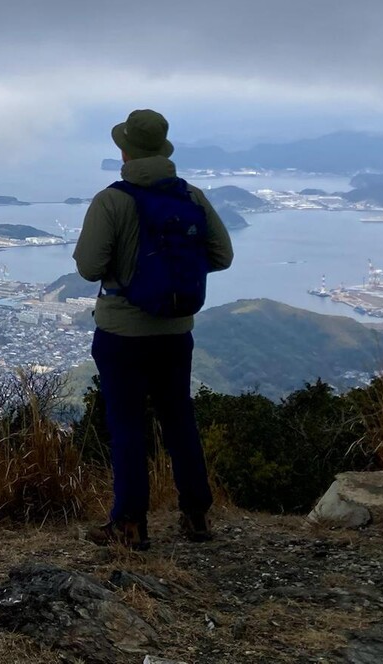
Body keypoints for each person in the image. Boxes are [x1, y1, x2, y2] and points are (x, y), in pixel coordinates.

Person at [73, 108, 233, 549]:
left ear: (124, 150)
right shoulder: (192, 197)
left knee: (127, 426)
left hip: (121, 334)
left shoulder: (112, 200)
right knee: (179, 418)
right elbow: (222, 256)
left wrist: (127, 271)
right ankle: (197, 515)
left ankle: (129, 523)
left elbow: (88, 268)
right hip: (175, 332)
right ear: (163, 150)